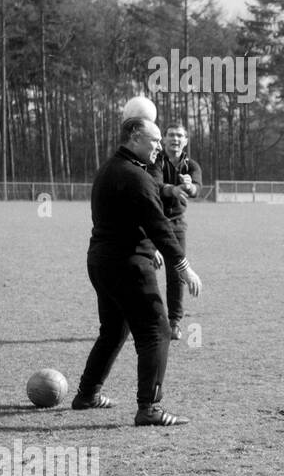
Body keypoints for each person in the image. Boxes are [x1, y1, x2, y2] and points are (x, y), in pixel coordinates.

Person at [72, 117, 203, 427]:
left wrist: (149, 247)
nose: (158, 146)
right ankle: (149, 408)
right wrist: (184, 268)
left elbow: (130, 218)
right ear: (133, 137)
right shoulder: (137, 177)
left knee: (115, 329)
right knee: (157, 331)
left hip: (101, 261)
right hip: (127, 265)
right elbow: (159, 227)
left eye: (160, 141)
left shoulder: (109, 169)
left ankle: (87, 393)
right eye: (153, 140)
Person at [156, 123, 202, 340]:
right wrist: (172, 189)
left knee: (176, 274)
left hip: (176, 226)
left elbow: (196, 190)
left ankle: (174, 322)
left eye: (179, 136)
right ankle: (145, 320)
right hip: (150, 223)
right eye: (171, 135)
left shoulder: (191, 165)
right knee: (140, 271)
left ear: (186, 141)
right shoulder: (154, 162)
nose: (175, 139)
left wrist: (189, 185)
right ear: (164, 139)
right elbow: (154, 186)